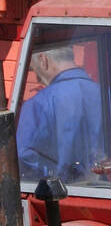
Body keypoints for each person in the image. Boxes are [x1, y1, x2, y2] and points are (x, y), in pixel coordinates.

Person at [16, 45, 104, 183]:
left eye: (34, 68)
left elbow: (21, 159)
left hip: (58, 194)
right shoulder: (106, 96)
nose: (37, 76)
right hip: (104, 190)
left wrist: (54, 173)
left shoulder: (37, 104)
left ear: (43, 60)